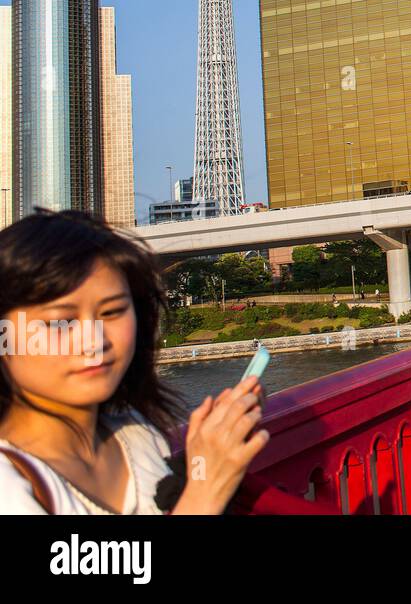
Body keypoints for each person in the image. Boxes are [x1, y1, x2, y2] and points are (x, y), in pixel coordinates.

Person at [0, 210, 268, 514]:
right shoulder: (7, 485)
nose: (94, 340)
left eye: (112, 312)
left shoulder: (138, 436)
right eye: (60, 321)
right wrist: (205, 494)